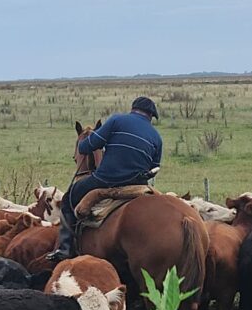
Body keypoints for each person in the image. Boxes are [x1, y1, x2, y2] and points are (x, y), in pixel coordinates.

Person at [47, 96, 164, 262]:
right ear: (151, 116)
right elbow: (154, 168)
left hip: (106, 180)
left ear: (133, 109)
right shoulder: (156, 137)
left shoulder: (117, 120)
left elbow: (88, 145)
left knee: (68, 199)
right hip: (138, 186)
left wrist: (83, 145)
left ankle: (65, 249)